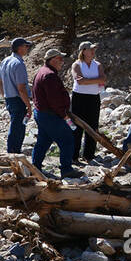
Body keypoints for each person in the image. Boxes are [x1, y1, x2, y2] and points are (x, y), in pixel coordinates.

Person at [31, 48, 81, 179]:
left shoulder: (42, 72)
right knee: (67, 140)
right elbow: (54, 100)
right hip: (50, 114)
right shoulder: (50, 76)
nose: (62, 62)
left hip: (42, 113)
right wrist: (63, 114)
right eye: (60, 59)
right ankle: (66, 169)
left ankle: (34, 167)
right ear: (52, 60)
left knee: (43, 141)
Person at [69, 40, 106, 164]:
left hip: (93, 98)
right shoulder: (77, 64)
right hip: (79, 97)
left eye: (93, 49)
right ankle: (73, 156)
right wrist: (94, 80)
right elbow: (79, 81)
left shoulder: (98, 64)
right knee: (77, 126)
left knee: (92, 126)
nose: (93, 51)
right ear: (84, 51)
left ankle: (89, 155)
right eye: (91, 49)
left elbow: (103, 79)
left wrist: (87, 80)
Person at [0, 37, 33, 153]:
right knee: (18, 128)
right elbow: (21, 89)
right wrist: (29, 106)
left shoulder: (5, 60)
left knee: (16, 126)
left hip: (10, 99)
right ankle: (13, 154)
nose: (27, 48)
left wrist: (4, 95)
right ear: (20, 48)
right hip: (18, 100)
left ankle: (13, 152)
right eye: (26, 46)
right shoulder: (19, 64)